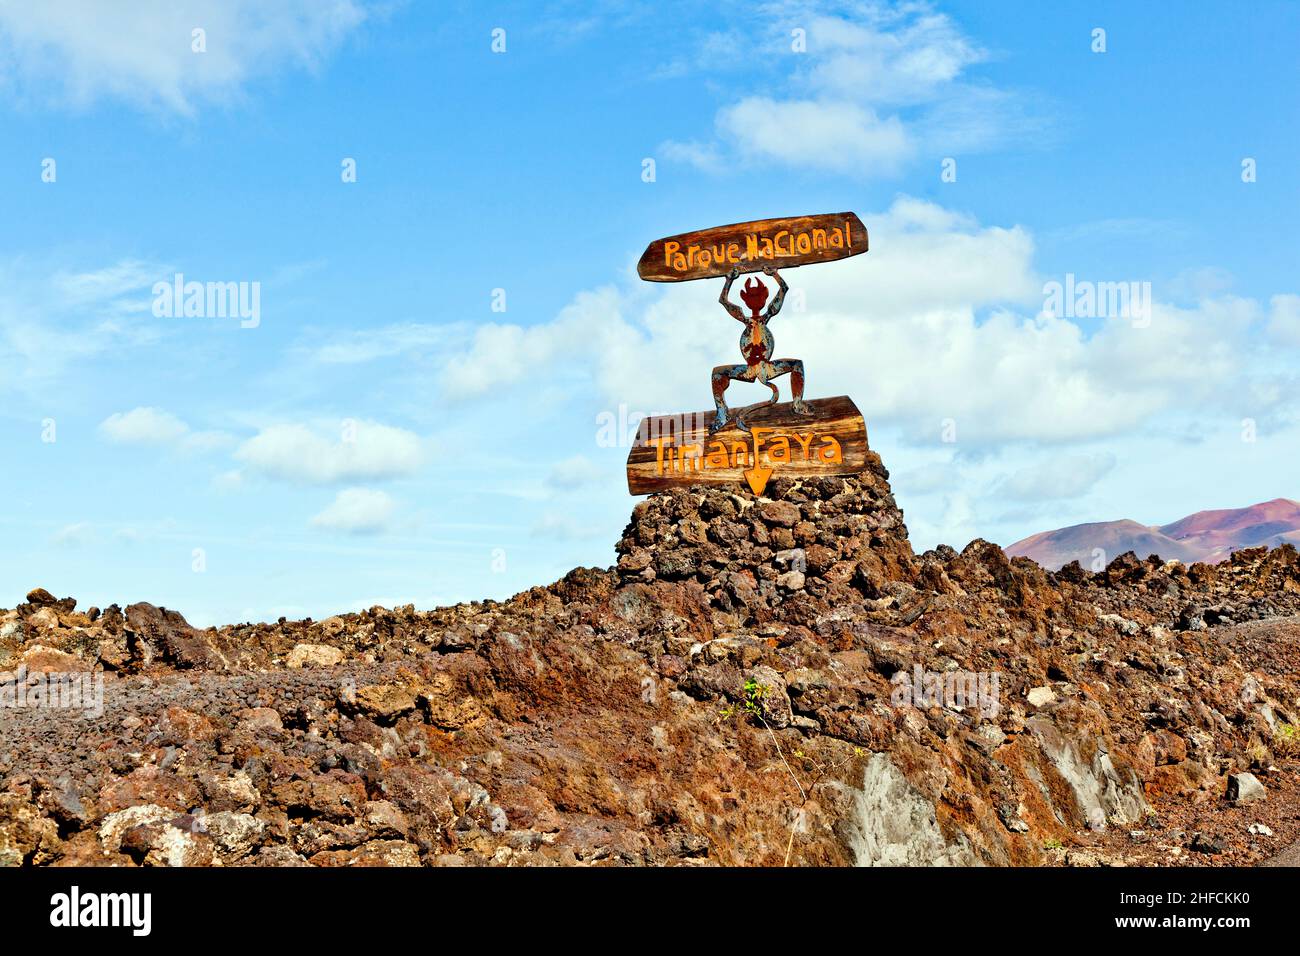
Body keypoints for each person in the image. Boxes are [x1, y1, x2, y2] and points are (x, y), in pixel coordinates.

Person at [710, 265, 808, 433]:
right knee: (717, 373)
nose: (755, 301)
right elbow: (723, 301)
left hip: (767, 367)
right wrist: (728, 281)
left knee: (796, 364)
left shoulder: (766, 316)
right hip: (749, 369)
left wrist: (775, 275)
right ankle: (722, 413)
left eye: (759, 297)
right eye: (751, 297)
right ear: (745, 300)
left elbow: (783, 289)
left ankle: (797, 404)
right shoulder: (744, 318)